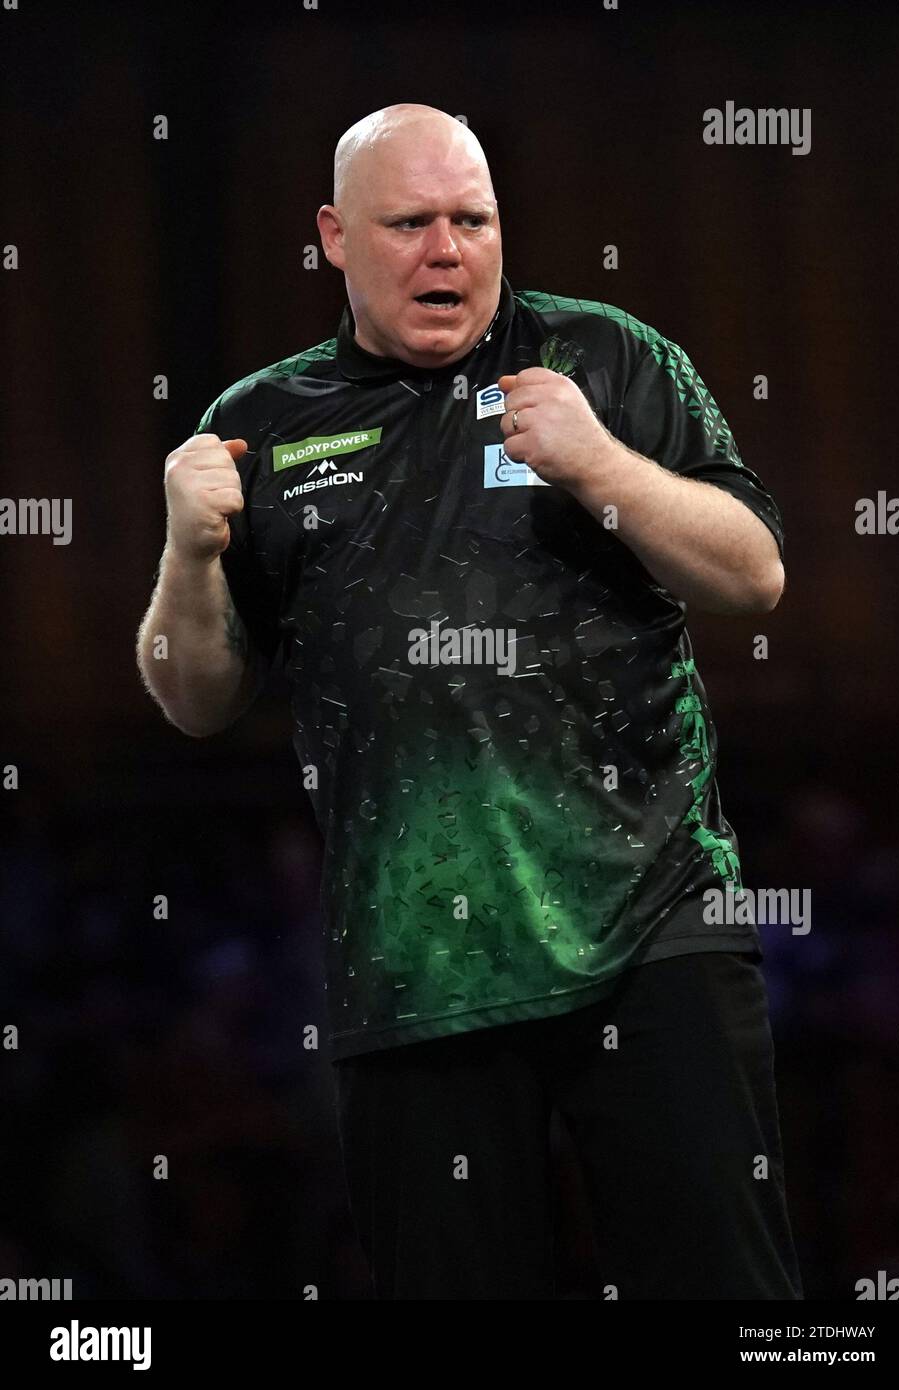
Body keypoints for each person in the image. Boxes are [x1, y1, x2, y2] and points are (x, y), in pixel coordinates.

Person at [136, 103, 803, 1300]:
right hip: (413, 960)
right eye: (410, 224)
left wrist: (600, 465)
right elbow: (196, 701)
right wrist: (187, 558)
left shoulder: (606, 359)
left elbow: (752, 572)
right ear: (336, 237)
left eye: (473, 220)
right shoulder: (258, 425)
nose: (448, 250)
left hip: (655, 926)